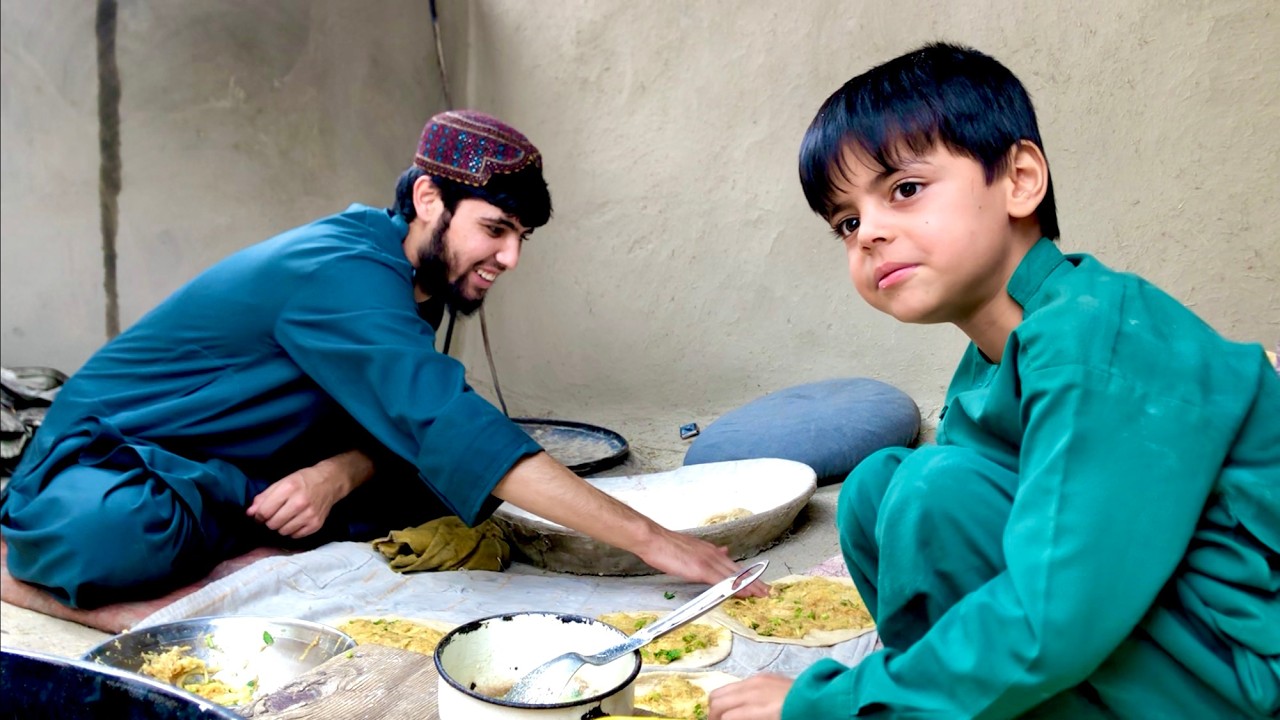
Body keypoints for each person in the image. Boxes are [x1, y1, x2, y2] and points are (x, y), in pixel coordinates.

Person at [709, 43, 1279, 720]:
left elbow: (1056, 615)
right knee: (876, 487)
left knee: (934, 488)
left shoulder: (1096, 339)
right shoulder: (995, 358)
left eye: (905, 190)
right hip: (1146, 640)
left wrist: (831, 705)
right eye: (848, 222)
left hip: (1235, 681)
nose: (868, 235)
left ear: (1020, 180)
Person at [0, 110, 762, 609]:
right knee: (114, 534)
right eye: (495, 229)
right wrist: (655, 541)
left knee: (438, 492)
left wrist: (338, 472)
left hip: (234, 464)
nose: (510, 258)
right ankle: (35, 569)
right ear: (429, 198)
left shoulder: (413, 281)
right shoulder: (341, 272)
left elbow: (398, 421)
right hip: (112, 460)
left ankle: (240, 535)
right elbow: (443, 421)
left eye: (521, 238)